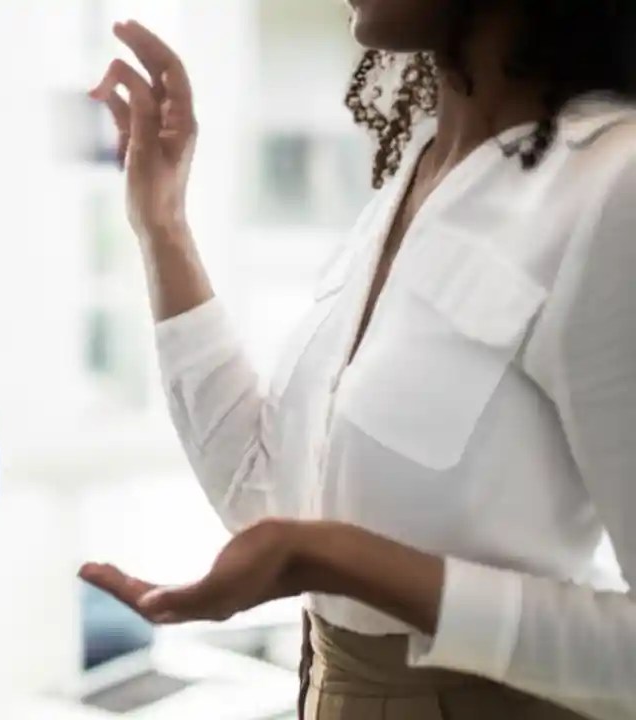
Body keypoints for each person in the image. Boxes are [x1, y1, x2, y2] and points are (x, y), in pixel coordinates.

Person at [79, 3, 636, 719]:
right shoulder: (422, 167)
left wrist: (337, 559)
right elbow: (270, 504)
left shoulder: (610, 189)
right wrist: (162, 225)